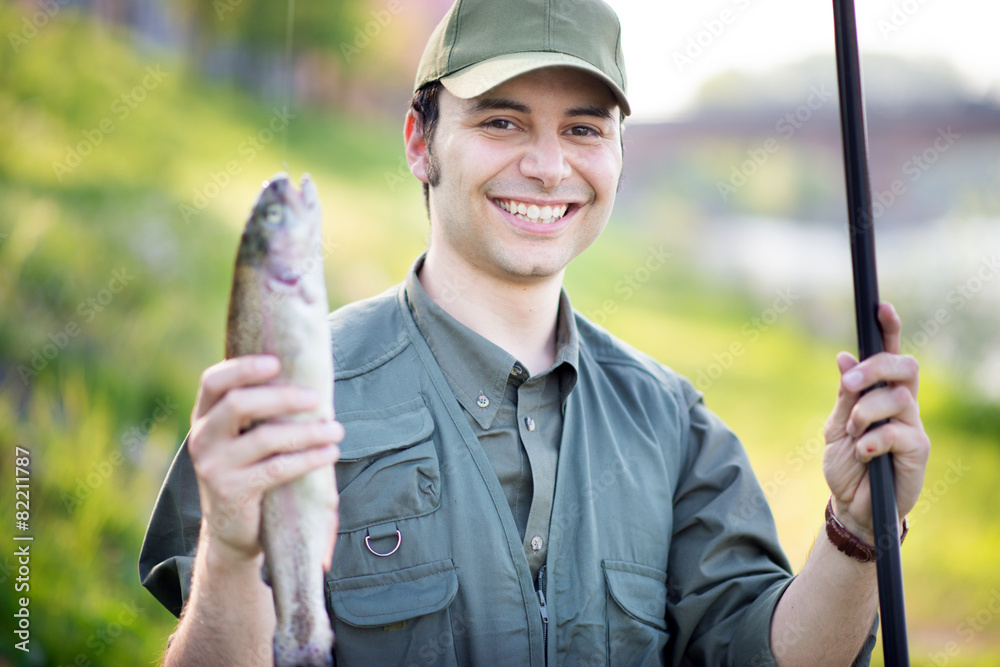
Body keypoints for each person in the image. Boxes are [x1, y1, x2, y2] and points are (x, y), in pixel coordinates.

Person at [139, 0, 931, 664]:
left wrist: (859, 532)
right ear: (420, 142)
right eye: (503, 122)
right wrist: (234, 553)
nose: (550, 166)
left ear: (617, 153)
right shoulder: (291, 394)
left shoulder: (673, 422)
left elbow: (765, 653)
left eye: (584, 129)